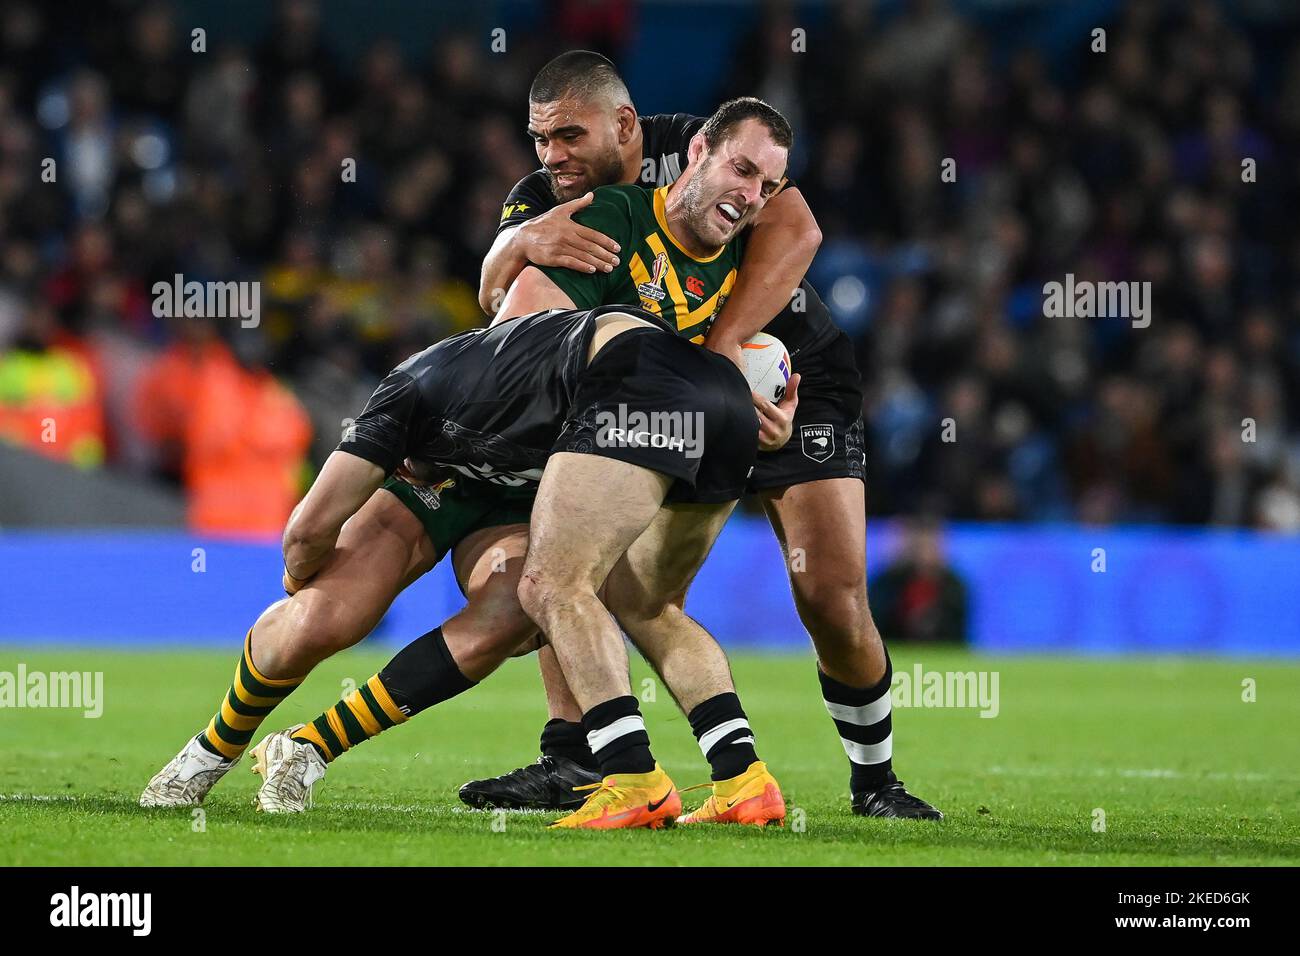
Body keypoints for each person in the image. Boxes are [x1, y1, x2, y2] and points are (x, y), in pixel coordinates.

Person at [468, 51, 941, 820]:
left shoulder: (692, 144)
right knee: (587, 558)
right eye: (540, 139)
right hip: (675, 396)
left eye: (568, 137)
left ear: (623, 126)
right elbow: (501, 301)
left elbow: (796, 223)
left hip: (789, 380)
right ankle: (578, 757)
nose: (554, 156)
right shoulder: (542, 198)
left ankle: (876, 780)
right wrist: (512, 246)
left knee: (829, 592)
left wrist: (720, 357)